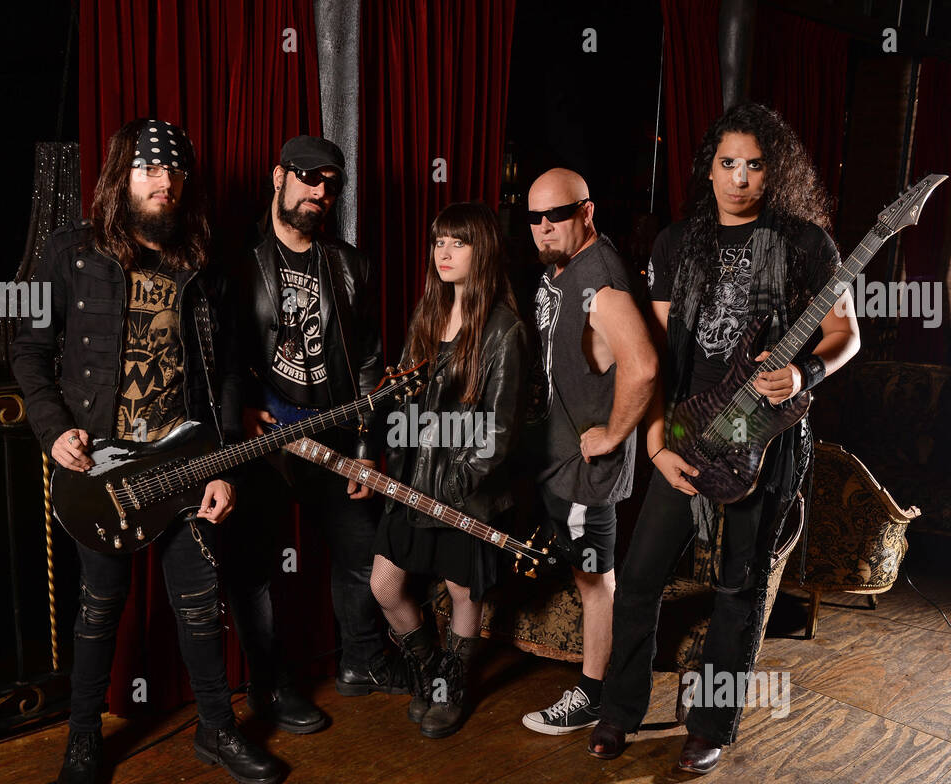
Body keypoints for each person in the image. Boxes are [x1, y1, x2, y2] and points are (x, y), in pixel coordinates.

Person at [11, 118, 284, 784]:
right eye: (147, 170)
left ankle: (216, 730)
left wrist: (223, 466)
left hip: (186, 465)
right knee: (99, 609)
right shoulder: (68, 253)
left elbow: (224, 379)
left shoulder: (201, 264)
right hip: (102, 475)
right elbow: (28, 350)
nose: (163, 184)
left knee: (199, 606)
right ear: (120, 177)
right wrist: (53, 432)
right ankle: (82, 739)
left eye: (173, 173)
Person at [588, 102, 860, 773]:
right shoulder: (677, 243)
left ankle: (711, 726)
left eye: (756, 164)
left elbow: (845, 333)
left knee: (738, 586)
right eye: (728, 163)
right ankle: (619, 712)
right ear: (708, 169)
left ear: (774, 171)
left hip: (763, 429)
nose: (741, 177)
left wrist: (804, 372)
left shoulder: (805, 244)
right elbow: (655, 353)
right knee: (643, 573)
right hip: (686, 425)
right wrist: (655, 441)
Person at [222, 134, 398, 735]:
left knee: (359, 554)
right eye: (307, 178)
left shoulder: (350, 265)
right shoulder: (237, 260)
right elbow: (218, 353)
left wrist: (369, 446)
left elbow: (372, 361)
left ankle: (362, 663)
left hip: (336, 436)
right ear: (279, 177)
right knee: (257, 569)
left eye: (330, 184)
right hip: (268, 442)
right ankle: (271, 688)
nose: (319, 192)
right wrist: (241, 408)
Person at [370, 202, 529, 739]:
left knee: (464, 593)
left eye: (457, 243)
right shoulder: (427, 314)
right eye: (438, 241)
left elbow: (499, 433)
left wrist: (453, 489)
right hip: (410, 483)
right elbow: (406, 405)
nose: (443, 252)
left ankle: (450, 685)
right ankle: (426, 665)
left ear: (480, 250)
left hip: (464, 493)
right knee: (385, 586)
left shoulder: (503, 330)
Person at [519, 168, 659, 736]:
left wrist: (614, 435)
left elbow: (644, 364)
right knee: (578, 570)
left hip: (588, 466)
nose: (545, 227)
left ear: (587, 212)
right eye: (535, 218)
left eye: (558, 214)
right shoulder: (562, 271)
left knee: (593, 579)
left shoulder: (600, 281)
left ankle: (594, 694)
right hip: (555, 455)